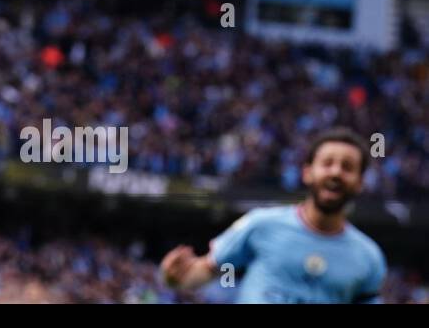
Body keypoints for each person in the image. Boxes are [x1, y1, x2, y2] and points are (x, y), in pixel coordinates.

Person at [160, 128, 386, 303]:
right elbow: (207, 269)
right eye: (327, 163)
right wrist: (176, 278)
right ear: (307, 173)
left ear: (360, 182)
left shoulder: (369, 257)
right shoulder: (261, 224)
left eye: (347, 167)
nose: (336, 172)